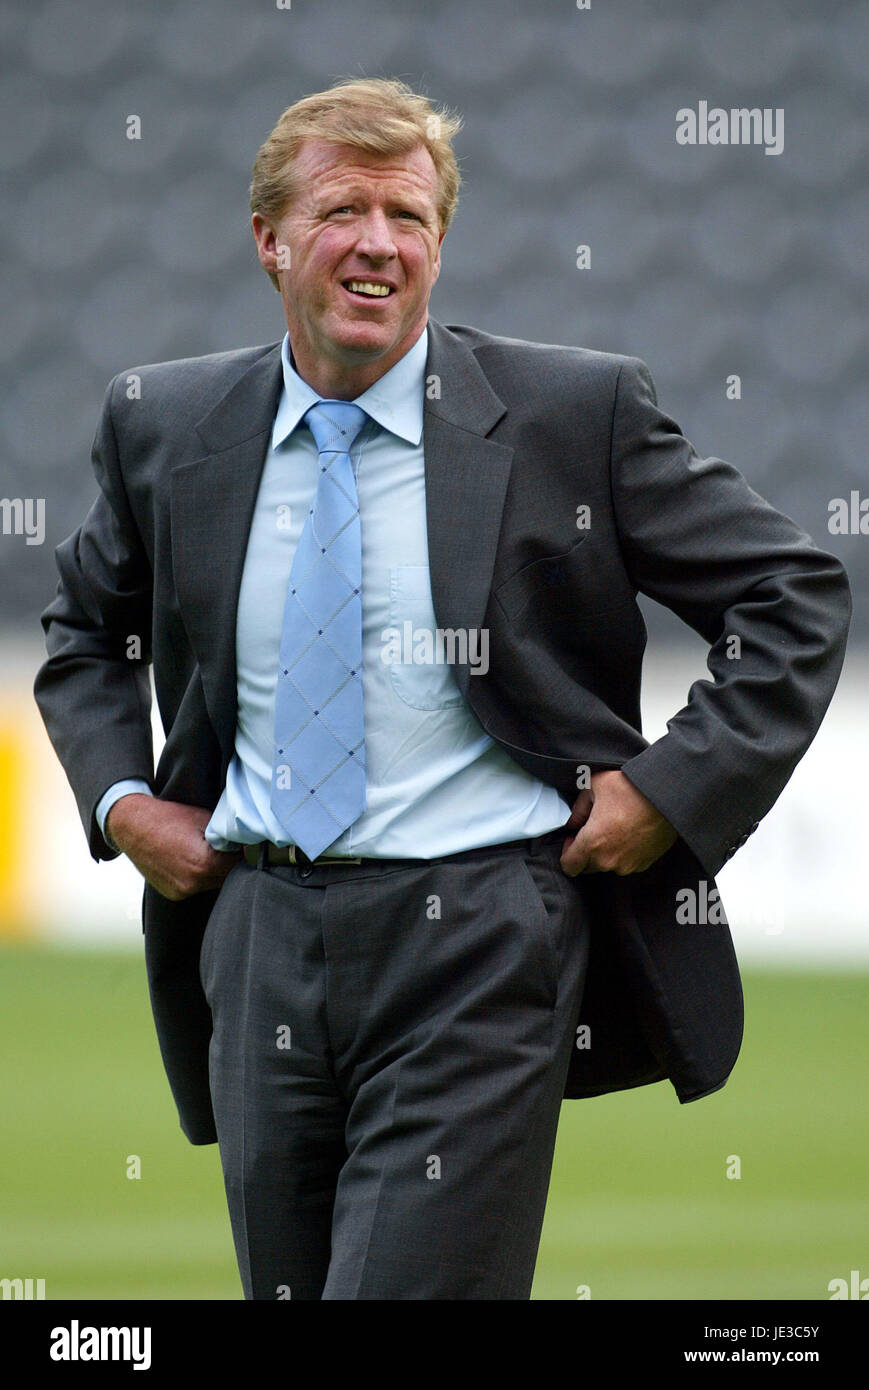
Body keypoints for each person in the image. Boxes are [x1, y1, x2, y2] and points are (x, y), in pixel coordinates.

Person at [34, 77, 851, 1301]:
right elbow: (84, 632)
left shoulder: (572, 414)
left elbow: (791, 594)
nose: (378, 242)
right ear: (268, 240)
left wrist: (666, 790)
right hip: (254, 938)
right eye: (341, 211)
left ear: (439, 243)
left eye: (407, 216)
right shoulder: (166, 423)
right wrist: (122, 803)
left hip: (478, 939)